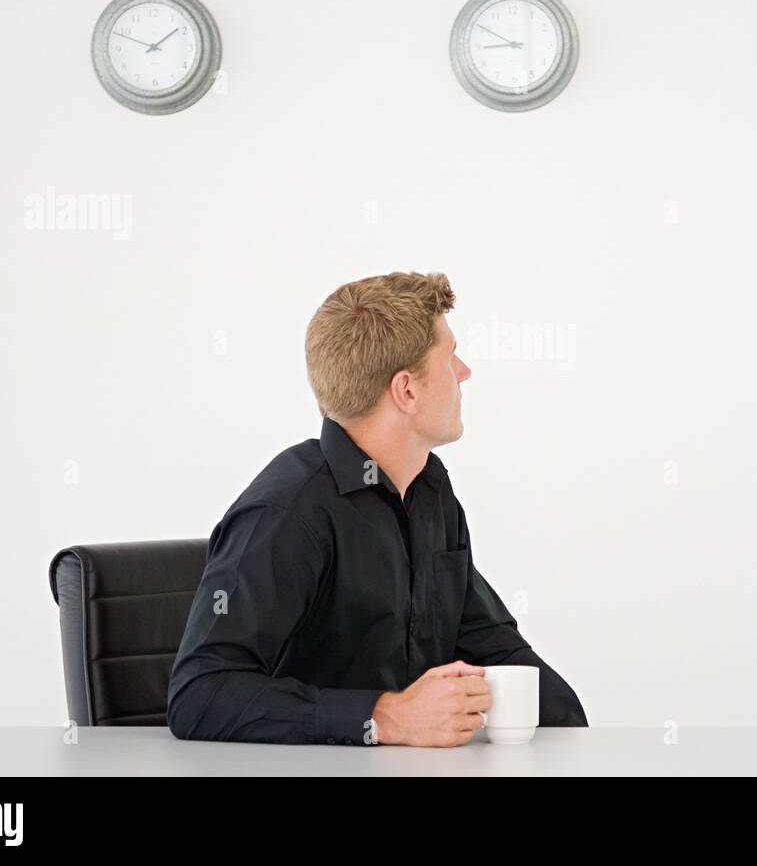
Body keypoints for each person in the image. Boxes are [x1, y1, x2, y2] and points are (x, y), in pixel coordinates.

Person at [166, 271, 587, 746]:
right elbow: (199, 695)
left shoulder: (430, 491)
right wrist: (384, 716)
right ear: (406, 390)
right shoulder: (286, 513)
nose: (465, 371)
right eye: (450, 357)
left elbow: (493, 647)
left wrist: (581, 745)